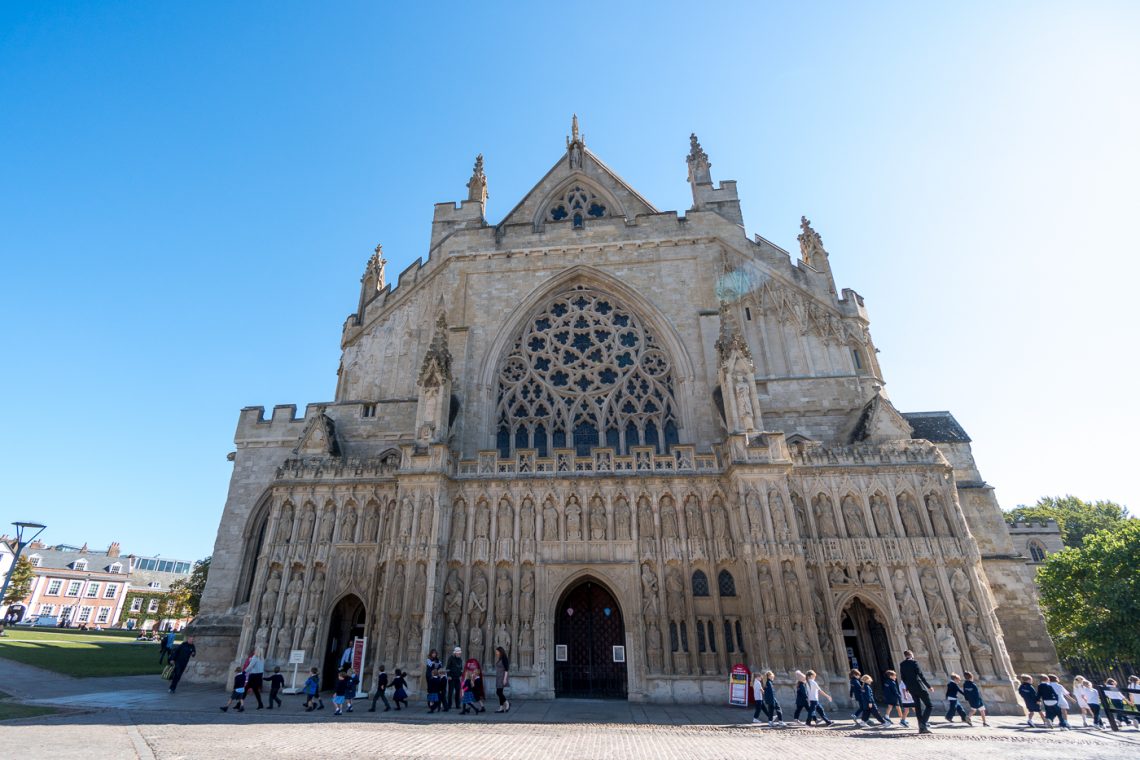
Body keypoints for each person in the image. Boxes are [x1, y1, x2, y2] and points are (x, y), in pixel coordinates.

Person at [899, 649, 934, 734]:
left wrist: (907, 687)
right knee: (929, 706)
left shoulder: (902, 664)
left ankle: (921, 728)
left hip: (911, 689)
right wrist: (929, 686)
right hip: (919, 687)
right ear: (911, 654)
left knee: (917, 707)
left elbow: (903, 677)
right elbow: (920, 675)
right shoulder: (914, 663)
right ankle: (923, 723)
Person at [445, 647, 463, 711]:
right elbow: (448, 667)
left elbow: (461, 668)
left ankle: (457, 705)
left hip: (457, 677)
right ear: (455, 653)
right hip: (451, 677)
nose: (459, 654)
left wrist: (461, 676)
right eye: (458, 653)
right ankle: (449, 704)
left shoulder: (460, 659)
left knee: (458, 692)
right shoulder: (451, 658)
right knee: (450, 692)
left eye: (459, 653)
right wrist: (448, 675)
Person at [494, 646, 511, 713]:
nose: (496, 653)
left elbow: (506, 669)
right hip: (499, 677)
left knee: (498, 692)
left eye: (497, 652)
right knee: (499, 692)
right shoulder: (500, 658)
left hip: (502, 678)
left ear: (500, 652)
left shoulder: (504, 659)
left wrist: (504, 679)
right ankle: (501, 707)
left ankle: (507, 703)